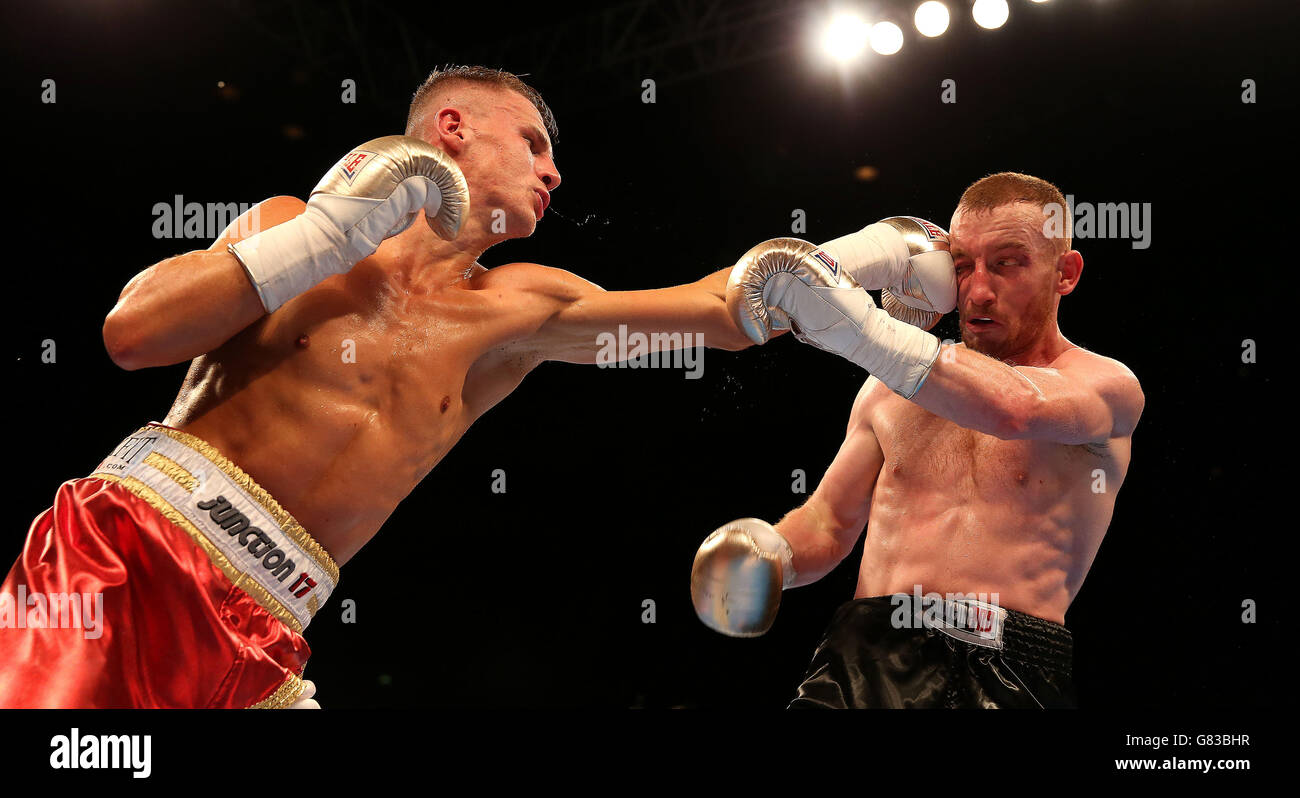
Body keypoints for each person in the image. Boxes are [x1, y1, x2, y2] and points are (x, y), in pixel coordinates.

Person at [0, 65, 772, 709]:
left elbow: (721, 313)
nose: (554, 172)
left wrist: (863, 259)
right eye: (532, 142)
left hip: (268, 629)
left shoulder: (520, 308)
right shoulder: (289, 223)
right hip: (132, 552)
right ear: (452, 127)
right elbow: (131, 335)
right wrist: (327, 237)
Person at [691, 172, 1145, 708]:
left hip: (1004, 668)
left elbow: (1019, 409)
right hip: (863, 656)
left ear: (1065, 273)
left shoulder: (1107, 386)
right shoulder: (888, 390)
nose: (977, 290)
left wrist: (856, 327)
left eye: (1006, 263)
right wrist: (773, 556)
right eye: (961, 267)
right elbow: (829, 522)